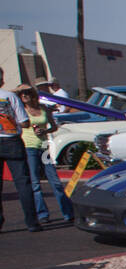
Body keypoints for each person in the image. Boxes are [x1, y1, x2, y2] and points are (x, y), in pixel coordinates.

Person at [17, 84, 74, 223]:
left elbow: (53, 127)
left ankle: (68, 212)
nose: (25, 95)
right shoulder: (20, 110)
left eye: (27, 93)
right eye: (22, 94)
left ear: (33, 94)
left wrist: (45, 131)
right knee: (35, 182)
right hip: (28, 147)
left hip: (43, 146)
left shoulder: (43, 109)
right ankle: (42, 214)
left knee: (55, 181)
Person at [0, 67, 41, 232]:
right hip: (12, 141)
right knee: (23, 183)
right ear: (2, 80)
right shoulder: (10, 97)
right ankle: (32, 222)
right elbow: (24, 122)